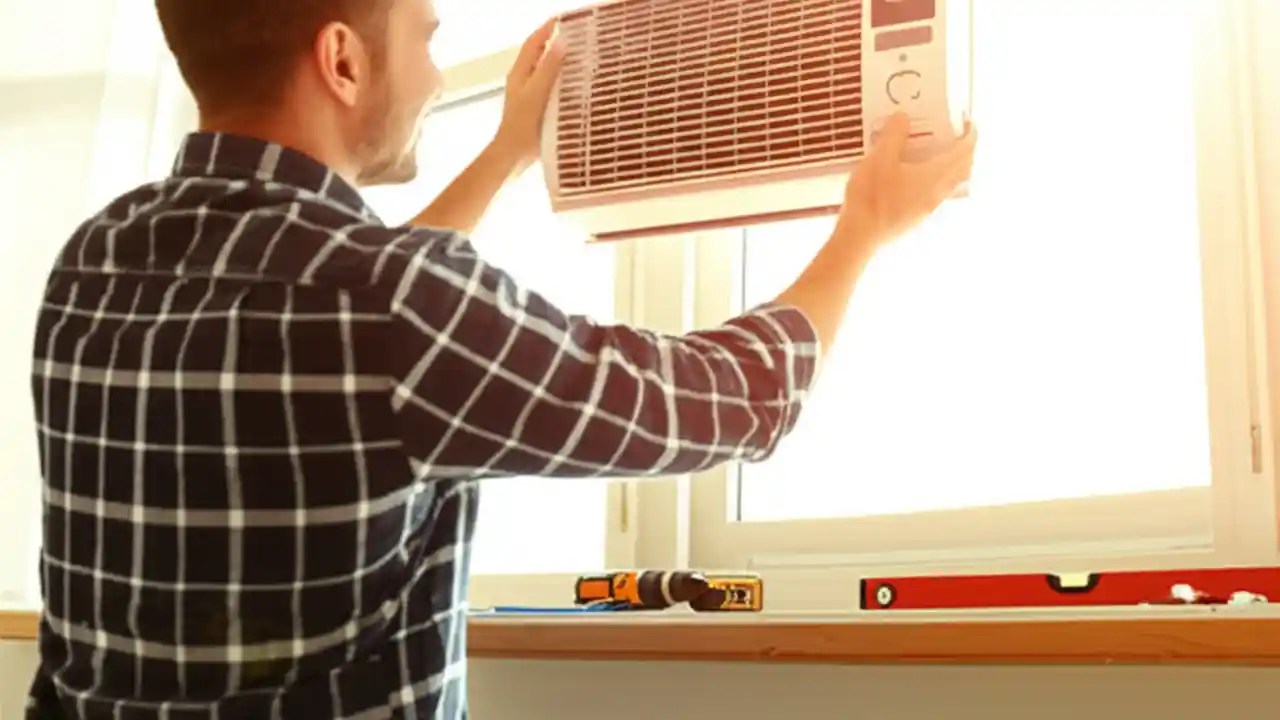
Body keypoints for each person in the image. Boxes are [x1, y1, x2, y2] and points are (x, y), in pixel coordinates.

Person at [26, 0, 976, 717]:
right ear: (343, 61)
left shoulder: (96, 261)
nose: (437, 76)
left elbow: (340, 321)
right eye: (428, 35)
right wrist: (863, 229)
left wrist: (509, 153)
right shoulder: (385, 306)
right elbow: (732, 400)